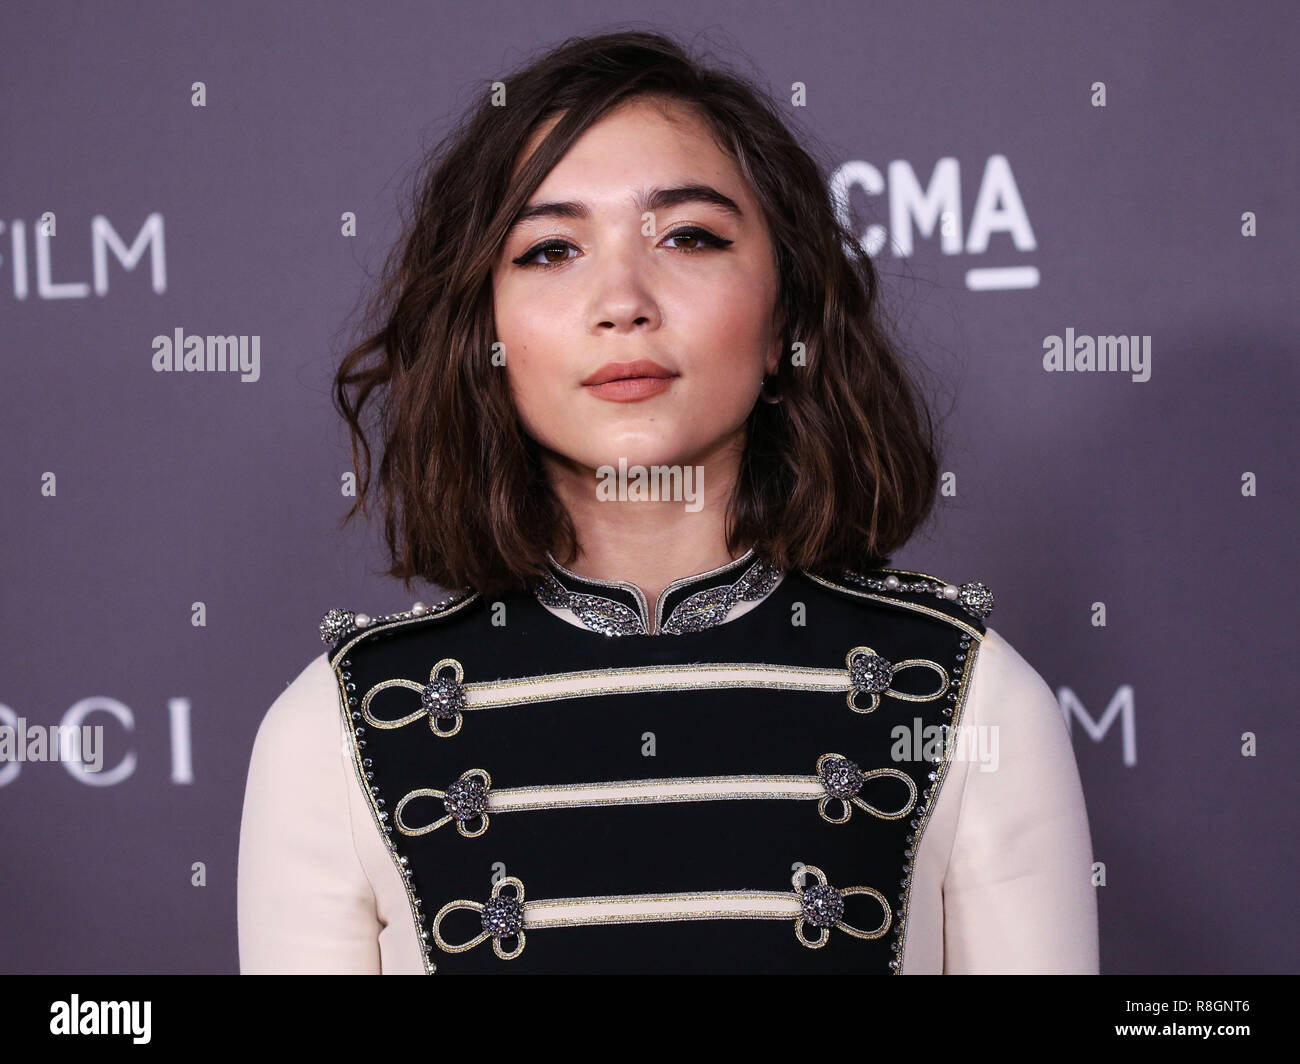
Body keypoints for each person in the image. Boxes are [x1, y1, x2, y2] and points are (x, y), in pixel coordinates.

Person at [237, 30, 1099, 974]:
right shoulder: (339, 725)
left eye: (689, 236)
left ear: (785, 319)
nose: (622, 299)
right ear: (483, 330)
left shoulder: (967, 695)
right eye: (551, 248)